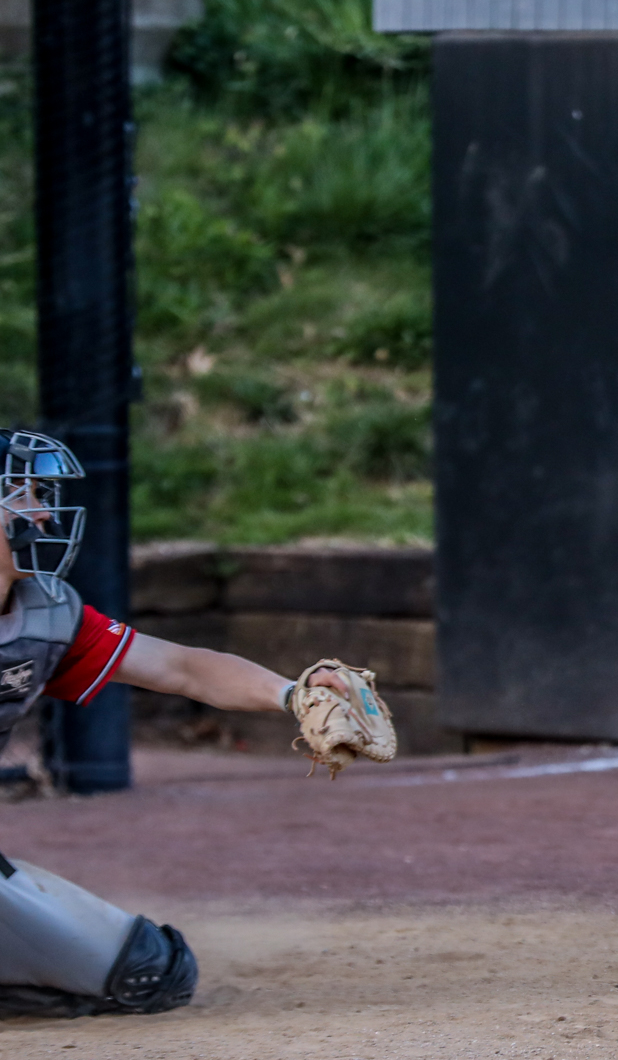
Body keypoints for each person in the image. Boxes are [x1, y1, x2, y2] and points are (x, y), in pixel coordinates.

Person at [0, 428, 372, 1018]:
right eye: (23, 495)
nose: (42, 513)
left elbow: (182, 669)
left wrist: (293, 694)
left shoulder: (45, 617)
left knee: (150, 971)